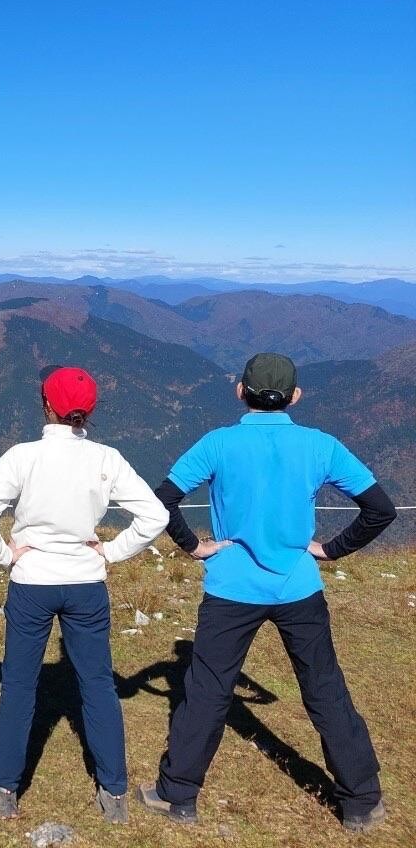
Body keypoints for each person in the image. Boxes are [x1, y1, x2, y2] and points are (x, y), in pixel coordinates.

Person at [138, 353, 397, 834]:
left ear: (240, 391)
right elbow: (380, 509)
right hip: (298, 584)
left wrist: (195, 546)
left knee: (207, 691)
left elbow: (162, 500)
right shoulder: (320, 446)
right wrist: (333, 550)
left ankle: (177, 797)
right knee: (324, 689)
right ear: (295, 397)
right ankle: (361, 801)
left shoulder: (218, 443)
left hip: (231, 586)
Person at [0, 366, 168, 824]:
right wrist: (111, 554)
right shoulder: (106, 458)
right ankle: (114, 793)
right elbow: (154, 517)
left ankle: (4, 788)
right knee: (97, 684)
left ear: (45, 406)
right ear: (88, 411)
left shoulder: (23, 457)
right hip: (86, 583)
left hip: (32, 581)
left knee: (19, 684)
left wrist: (5, 555)